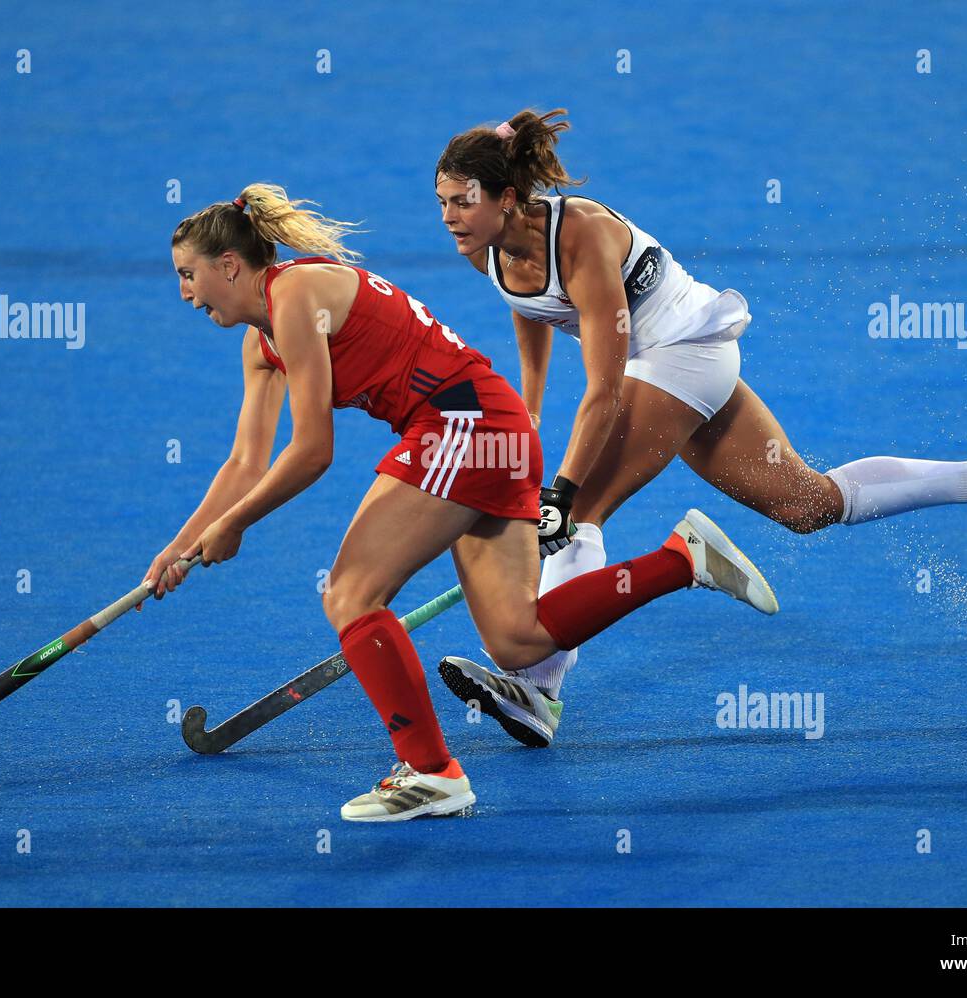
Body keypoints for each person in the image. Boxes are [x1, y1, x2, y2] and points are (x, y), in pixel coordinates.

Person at [140, 183, 778, 821]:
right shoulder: (263, 342)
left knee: (351, 595)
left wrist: (236, 526)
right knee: (519, 640)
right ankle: (681, 559)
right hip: (492, 428)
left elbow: (312, 451)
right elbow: (244, 463)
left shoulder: (296, 295)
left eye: (189, 275)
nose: (184, 293)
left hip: (461, 427)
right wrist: (179, 548)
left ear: (230, 266)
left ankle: (431, 772)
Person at [432, 109, 967, 748]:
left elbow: (603, 388)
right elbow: (531, 309)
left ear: (507, 199)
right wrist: (529, 417)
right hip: (671, 368)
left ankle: (539, 689)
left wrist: (561, 493)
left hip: (685, 353)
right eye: (442, 202)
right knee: (807, 503)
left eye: (463, 201)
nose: (450, 216)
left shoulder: (582, 238)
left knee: (585, 511)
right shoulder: (485, 249)